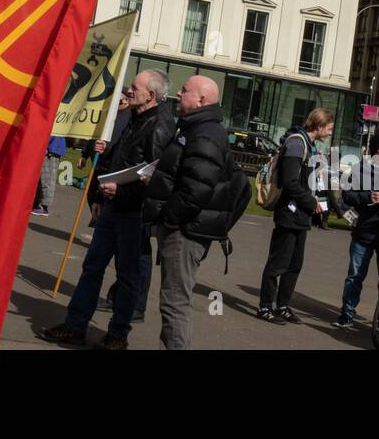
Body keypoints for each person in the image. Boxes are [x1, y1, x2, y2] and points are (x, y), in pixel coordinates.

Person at [37, 70, 175, 349]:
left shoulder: (160, 126)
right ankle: (75, 326)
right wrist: (99, 194)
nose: (128, 91)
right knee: (92, 267)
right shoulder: (133, 119)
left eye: (134, 88)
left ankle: (118, 334)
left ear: (151, 95)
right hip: (111, 207)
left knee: (127, 276)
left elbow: (157, 178)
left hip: (133, 213)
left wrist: (122, 191)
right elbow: (120, 160)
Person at [141, 75, 233, 349]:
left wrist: (170, 218)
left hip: (185, 231)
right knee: (173, 301)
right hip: (184, 227)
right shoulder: (196, 128)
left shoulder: (205, 132)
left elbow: (197, 188)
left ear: (202, 99)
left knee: (174, 303)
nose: (178, 94)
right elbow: (188, 176)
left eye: (184, 90)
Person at [257, 108, 334, 323]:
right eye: (328, 129)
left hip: (301, 214)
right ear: (318, 126)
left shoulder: (310, 146)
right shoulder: (296, 143)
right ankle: (265, 307)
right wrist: (311, 202)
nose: (329, 133)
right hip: (289, 212)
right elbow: (290, 181)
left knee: (294, 264)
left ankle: (282, 305)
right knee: (278, 263)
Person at [332, 132, 379, 331]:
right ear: (374, 152)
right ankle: (347, 313)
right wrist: (367, 197)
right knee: (355, 276)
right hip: (364, 232)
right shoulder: (360, 168)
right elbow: (347, 196)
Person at [32, 134, 68, 216]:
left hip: (51, 151)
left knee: (47, 179)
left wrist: (46, 147)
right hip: (51, 149)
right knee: (42, 179)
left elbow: (54, 135)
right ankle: (37, 203)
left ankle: (44, 206)